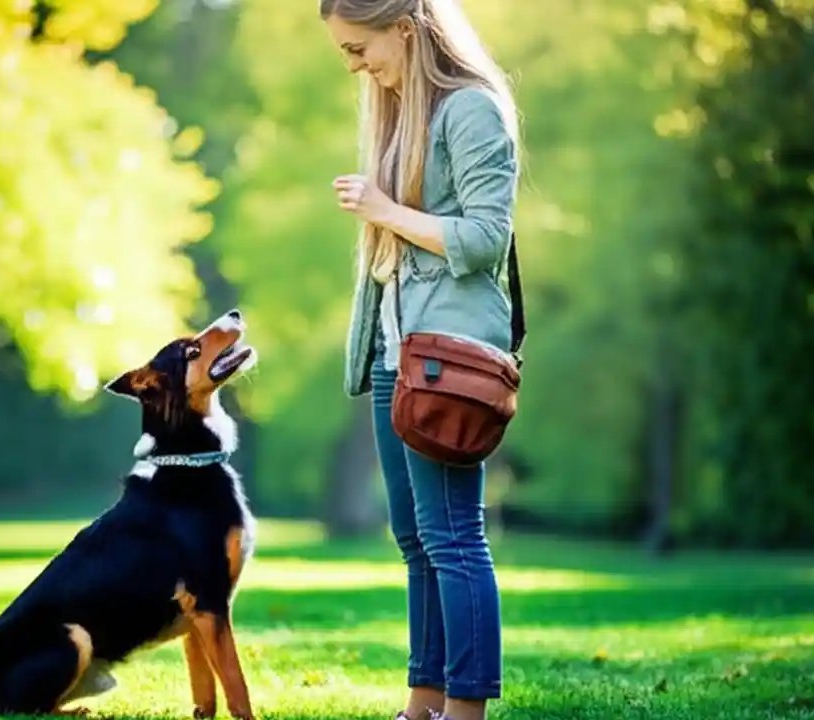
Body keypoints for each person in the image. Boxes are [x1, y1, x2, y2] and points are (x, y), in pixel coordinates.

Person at [320, 2, 521, 719]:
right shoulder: (397, 111)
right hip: (394, 355)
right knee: (414, 539)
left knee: (453, 538)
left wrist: (384, 209)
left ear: (403, 28)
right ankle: (421, 703)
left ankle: (464, 712)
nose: (354, 65)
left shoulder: (471, 110)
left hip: (447, 360)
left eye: (358, 47)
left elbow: (486, 238)